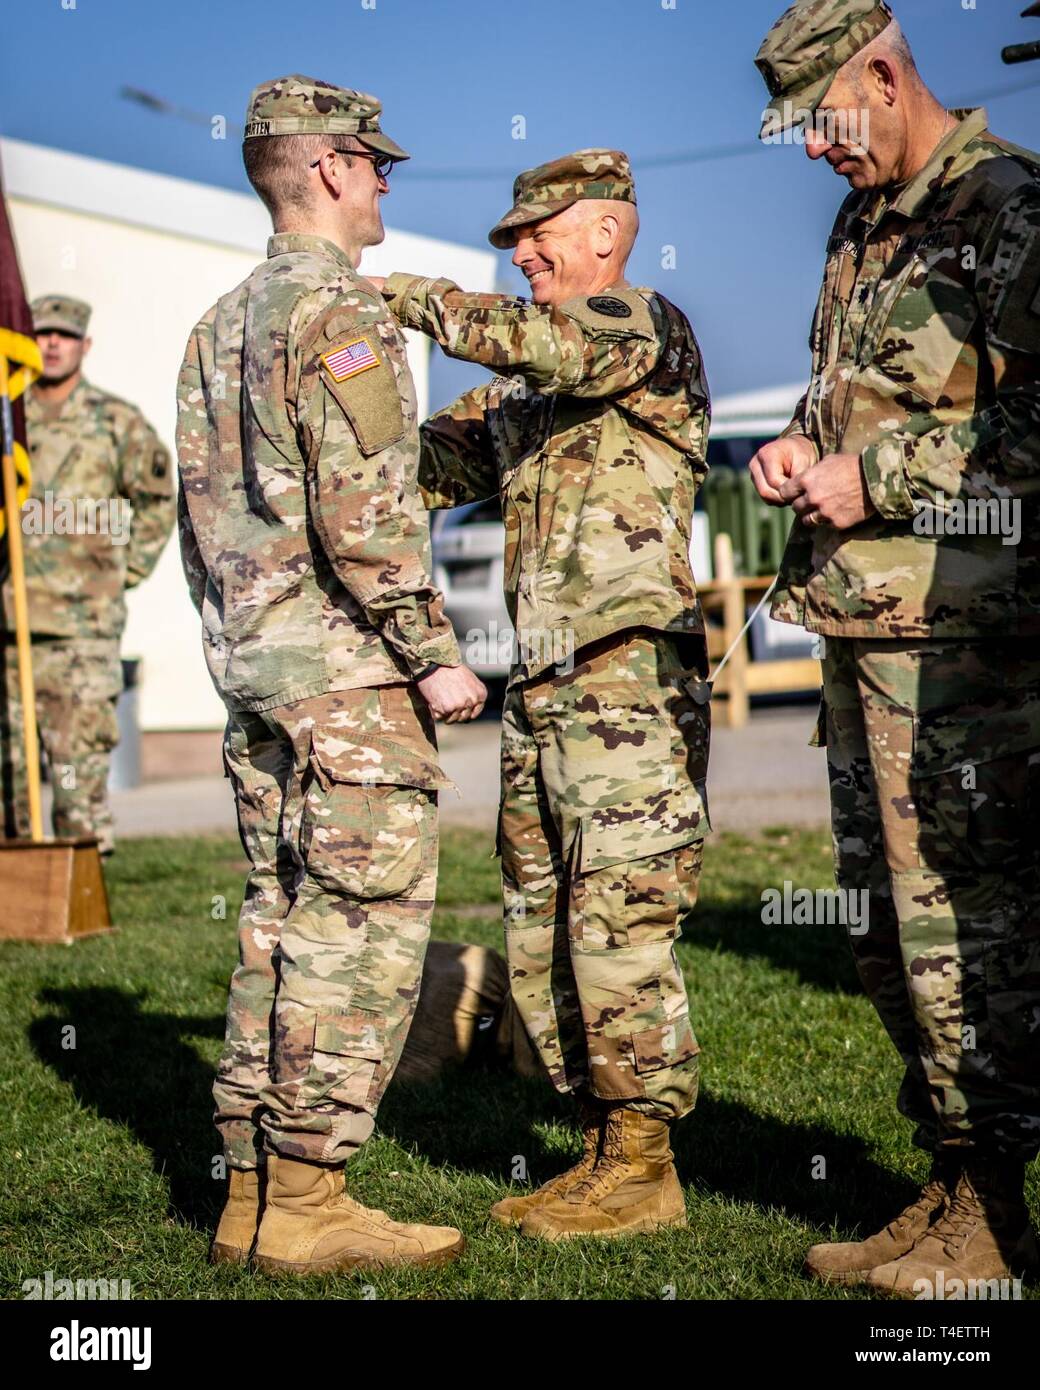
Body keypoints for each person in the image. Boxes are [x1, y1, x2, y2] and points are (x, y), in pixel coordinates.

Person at [751, 0, 1040, 1296]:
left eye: (822, 121)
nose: (814, 150)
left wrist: (881, 477)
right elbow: (850, 397)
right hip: (858, 636)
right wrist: (801, 453)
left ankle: (993, 1210)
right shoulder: (862, 222)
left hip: (960, 656)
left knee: (964, 936)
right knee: (885, 937)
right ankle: (950, 1182)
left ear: (883, 69)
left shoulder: (1006, 205)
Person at [176, 74, 487, 1276]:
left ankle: (250, 1194)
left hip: (258, 672)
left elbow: (205, 515)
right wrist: (435, 654)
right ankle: (311, 1204)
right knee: (354, 933)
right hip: (349, 679)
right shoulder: (339, 317)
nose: (386, 183)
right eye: (374, 161)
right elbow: (364, 516)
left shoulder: (219, 322)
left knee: (276, 922)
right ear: (325, 169)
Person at [374, 148, 712, 1240]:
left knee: (619, 915)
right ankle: (601, 1146)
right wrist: (331, 402)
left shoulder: (634, 326)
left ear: (607, 231)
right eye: (511, 242)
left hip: (627, 677)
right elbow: (425, 468)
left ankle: (646, 1163)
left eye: (537, 235)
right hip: (543, 688)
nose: (520, 255)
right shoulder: (524, 387)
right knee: (546, 919)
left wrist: (400, 296)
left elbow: (536, 341)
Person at [0, 295, 174, 853]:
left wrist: (124, 570)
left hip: (82, 633)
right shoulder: (10, 423)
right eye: (43, 332)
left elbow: (158, 498)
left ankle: (82, 897)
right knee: (11, 779)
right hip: (12, 625)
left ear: (85, 345)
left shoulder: (114, 422)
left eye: (65, 335)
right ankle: (20, 901)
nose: (52, 343)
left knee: (77, 775)